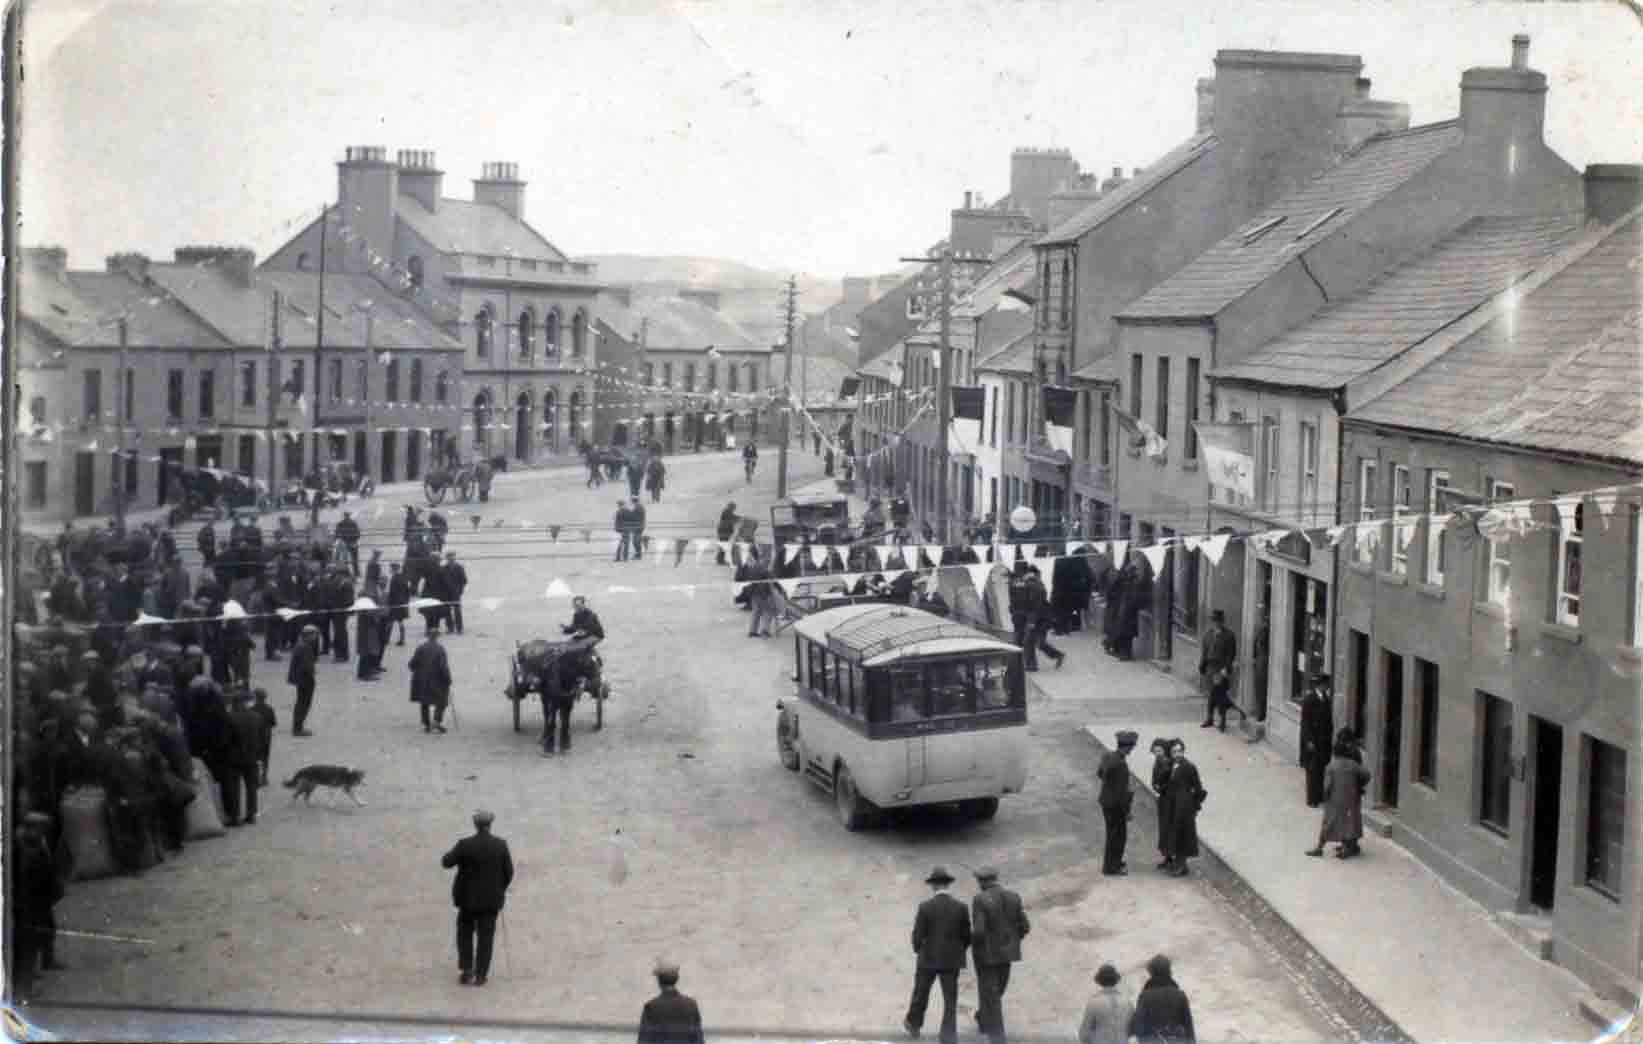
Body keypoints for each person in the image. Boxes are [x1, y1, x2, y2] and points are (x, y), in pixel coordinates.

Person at [440, 810, 514, 987]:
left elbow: (446, 862)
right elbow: (509, 872)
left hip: (467, 900)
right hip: (490, 902)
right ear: (490, 825)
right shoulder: (500, 845)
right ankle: (481, 975)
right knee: (486, 937)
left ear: (475, 825)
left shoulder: (464, 845)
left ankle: (466, 971)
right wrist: (499, 889)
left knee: (465, 934)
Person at [904, 865, 970, 1044]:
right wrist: (958, 950)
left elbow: (917, 935)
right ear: (948, 885)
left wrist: (919, 950)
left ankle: (914, 1024)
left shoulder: (925, 907)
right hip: (951, 960)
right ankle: (948, 1036)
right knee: (950, 1000)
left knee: (921, 992)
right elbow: (966, 936)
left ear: (933, 886)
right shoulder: (961, 907)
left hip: (928, 958)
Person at [969, 866, 1029, 1044]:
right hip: (1007, 953)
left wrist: (970, 942)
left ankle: (997, 1038)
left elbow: (979, 931)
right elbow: (1025, 927)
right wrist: (1012, 941)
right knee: (997, 990)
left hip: (986, 955)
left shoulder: (980, 900)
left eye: (979, 881)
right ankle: (983, 1018)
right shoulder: (1014, 896)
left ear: (982, 882)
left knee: (991, 994)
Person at [12, 811, 65, 998]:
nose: (43, 832)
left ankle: (46, 961)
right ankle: (25, 987)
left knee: (48, 929)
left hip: (40, 898)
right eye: (41, 829)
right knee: (30, 942)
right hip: (31, 901)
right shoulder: (24, 848)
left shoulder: (38, 842)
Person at [1307, 734, 1372, 859]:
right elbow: (1367, 775)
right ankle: (1348, 847)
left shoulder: (1331, 767)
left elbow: (1327, 786)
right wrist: (1359, 785)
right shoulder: (1353, 764)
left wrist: (1324, 798)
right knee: (1349, 823)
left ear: (1334, 753)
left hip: (1334, 801)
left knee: (1328, 824)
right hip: (1351, 800)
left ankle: (1319, 848)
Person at [1160, 741, 1206, 877]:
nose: (1177, 754)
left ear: (1183, 751)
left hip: (1184, 807)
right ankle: (1176, 862)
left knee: (1183, 834)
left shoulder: (1189, 767)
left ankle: (1181, 864)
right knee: (1173, 833)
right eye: (1174, 752)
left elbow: (1198, 788)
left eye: (1180, 751)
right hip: (1172, 805)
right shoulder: (1170, 765)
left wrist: (1195, 806)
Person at [1128, 954, 1196, 1044]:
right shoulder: (1180, 995)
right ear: (1169, 971)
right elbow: (1189, 1027)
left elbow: (1138, 1027)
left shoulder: (1145, 997)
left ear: (1151, 972)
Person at [1097, 731, 1137, 875]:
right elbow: (1122, 794)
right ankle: (1112, 867)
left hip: (1105, 801)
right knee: (1118, 837)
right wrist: (1127, 812)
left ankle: (1111, 864)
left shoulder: (1108, 756)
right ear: (1127, 747)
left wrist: (1110, 784)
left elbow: (1100, 773)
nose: (1132, 750)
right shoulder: (1121, 765)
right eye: (1132, 747)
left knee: (1111, 835)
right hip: (1115, 806)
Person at [637, 960, 705, 1044]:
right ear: (676, 979)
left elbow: (644, 1040)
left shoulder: (651, 1007)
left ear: (659, 981)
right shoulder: (691, 1005)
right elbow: (698, 1039)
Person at [224, 689, 265, 826]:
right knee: (251, 787)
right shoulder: (257, 717)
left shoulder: (229, 718)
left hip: (234, 758)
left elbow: (225, 740)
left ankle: (235, 817)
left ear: (234, 703)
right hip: (252, 758)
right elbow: (262, 739)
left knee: (234, 788)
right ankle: (251, 815)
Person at [1198, 610, 1238, 732]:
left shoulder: (1229, 636)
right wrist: (1202, 666)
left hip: (1221, 668)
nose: (1215, 623)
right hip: (1210, 667)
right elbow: (1204, 652)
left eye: (1218, 621)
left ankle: (1222, 719)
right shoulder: (1208, 635)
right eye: (1214, 620)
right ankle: (1210, 718)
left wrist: (1226, 669)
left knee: (1220, 694)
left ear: (1222, 621)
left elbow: (1231, 654)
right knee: (1211, 694)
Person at [1299, 674, 1335, 808]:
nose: (1327, 687)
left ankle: (1319, 796)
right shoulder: (1309, 699)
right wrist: (1308, 740)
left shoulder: (1326, 699)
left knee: (1321, 769)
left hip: (1323, 741)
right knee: (1312, 770)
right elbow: (1305, 723)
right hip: (1313, 741)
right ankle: (1312, 799)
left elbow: (1328, 722)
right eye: (1326, 685)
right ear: (1321, 685)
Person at [1077, 964, 1135, 1044]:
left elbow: (1084, 1033)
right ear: (1116, 980)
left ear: (1099, 981)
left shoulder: (1094, 1003)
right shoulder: (1127, 1002)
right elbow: (1132, 1029)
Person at [410, 630, 452, 734]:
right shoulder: (440, 650)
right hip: (436, 680)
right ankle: (436, 721)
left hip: (422, 679)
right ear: (437, 637)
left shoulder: (421, 648)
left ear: (428, 636)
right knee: (441, 700)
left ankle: (426, 723)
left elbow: (412, 664)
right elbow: (443, 667)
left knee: (424, 701)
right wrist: (448, 679)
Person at [287, 625, 319, 737]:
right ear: (308, 635)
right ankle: (298, 728)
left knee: (301, 703)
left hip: (300, 679)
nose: (316, 637)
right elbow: (307, 665)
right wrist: (312, 673)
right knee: (304, 703)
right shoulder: (305, 647)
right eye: (314, 634)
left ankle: (297, 726)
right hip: (305, 679)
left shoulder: (301, 645)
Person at [250, 688, 276, 786]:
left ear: (255, 698)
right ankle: (264, 778)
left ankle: (256, 778)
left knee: (255, 759)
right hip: (266, 738)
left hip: (255, 737)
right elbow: (273, 723)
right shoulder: (269, 709)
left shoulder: (252, 709)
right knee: (265, 759)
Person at [443, 552, 468, 636]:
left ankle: (459, 628)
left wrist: (460, 590)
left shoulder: (459, 567)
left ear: (454, 558)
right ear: (447, 559)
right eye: (449, 558)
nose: (450, 559)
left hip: (456, 593)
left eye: (452, 558)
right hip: (446, 593)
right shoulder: (444, 568)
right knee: (447, 611)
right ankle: (450, 627)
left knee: (457, 611)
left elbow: (464, 580)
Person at [387, 562, 412, 646]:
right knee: (400, 622)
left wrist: (389, 603)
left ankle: (386, 638)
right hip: (402, 603)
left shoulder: (394, 579)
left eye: (391, 568)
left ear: (394, 569)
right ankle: (402, 639)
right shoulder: (403, 577)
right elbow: (408, 591)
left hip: (395, 604)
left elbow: (392, 593)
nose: (390, 570)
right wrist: (406, 601)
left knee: (390, 621)